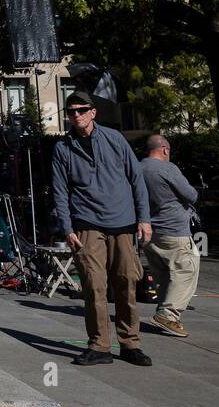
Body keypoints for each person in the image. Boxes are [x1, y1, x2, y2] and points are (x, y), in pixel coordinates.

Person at [50, 91, 153, 367]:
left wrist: (144, 218)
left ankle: (130, 343)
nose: (76, 115)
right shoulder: (63, 148)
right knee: (94, 287)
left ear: (93, 112)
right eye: (71, 111)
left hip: (123, 224)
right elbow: (60, 192)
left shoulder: (115, 139)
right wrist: (67, 227)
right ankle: (100, 346)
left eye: (82, 110)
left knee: (126, 284)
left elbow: (136, 179)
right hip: (86, 225)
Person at [139, 134, 201, 338]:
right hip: (174, 230)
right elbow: (191, 195)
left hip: (149, 230)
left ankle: (165, 312)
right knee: (186, 270)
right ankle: (168, 315)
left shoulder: (138, 168)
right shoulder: (167, 169)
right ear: (165, 149)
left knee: (163, 274)